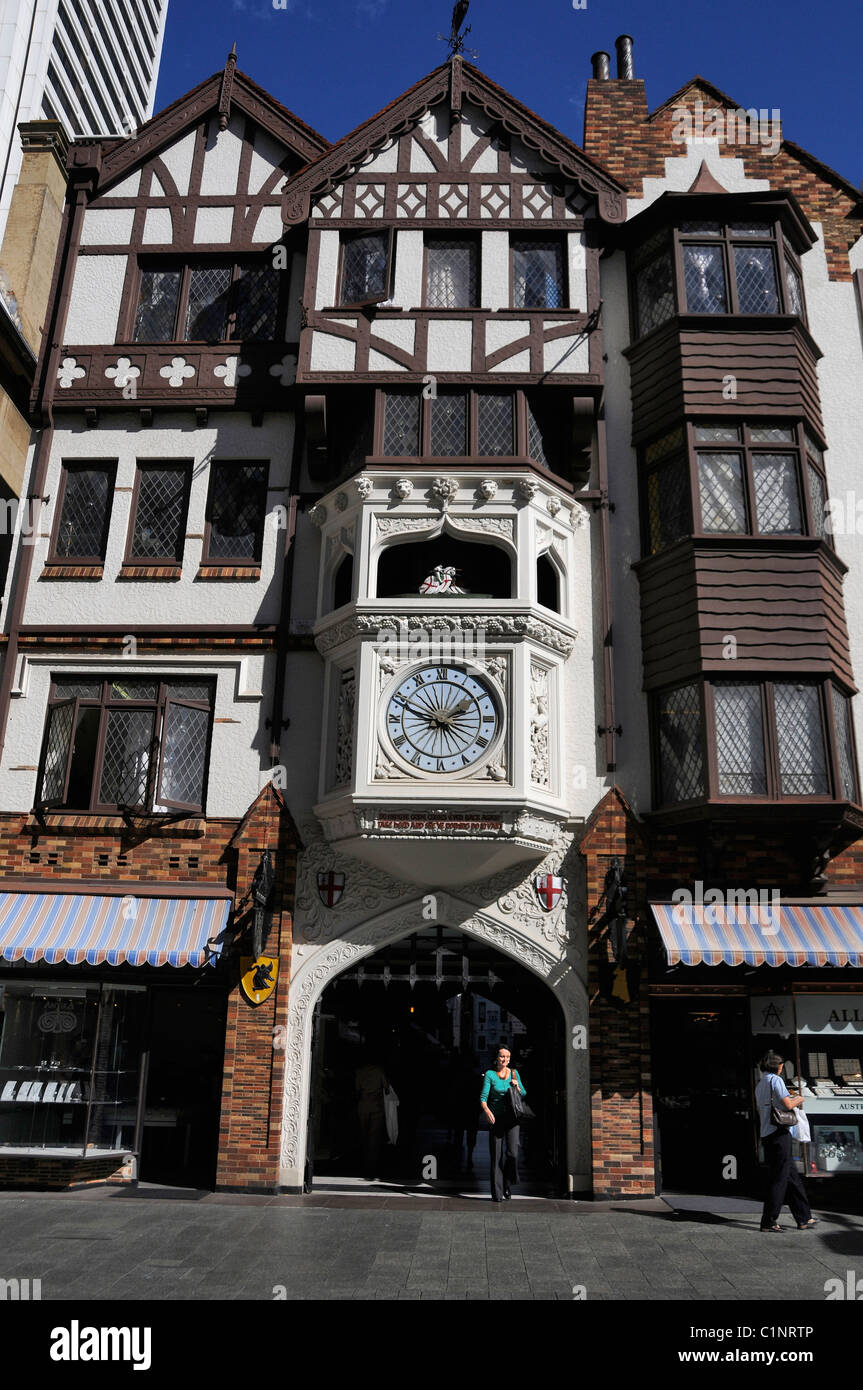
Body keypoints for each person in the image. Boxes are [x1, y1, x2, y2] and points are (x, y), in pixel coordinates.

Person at [755, 1051, 817, 1233]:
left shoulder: (760, 1084)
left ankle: (804, 1217)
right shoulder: (775, 1080)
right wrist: (800, 1097)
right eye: (781, 1064)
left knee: (791, 1176)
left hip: (767, 1132)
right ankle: (768, 1220)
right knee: (780, 1178)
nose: (782, 1067)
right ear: (778, 1066)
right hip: (779, 1133)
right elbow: (788, 1105)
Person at [480, 1046, 525, 1202]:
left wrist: (516, 1085)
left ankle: (506, 1183)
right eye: (502, 1056)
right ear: (496, 1058)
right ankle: (497, 1193)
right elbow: (483, 1097)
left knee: (513, 1153)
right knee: (496, 1156)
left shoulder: (514, 1073)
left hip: (512, 1118)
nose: (505, 1059)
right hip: (496, 1118)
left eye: (508, 1057)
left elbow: (523, 1093)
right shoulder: (490, 1075)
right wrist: (487, 1111)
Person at [355, 1054, 388, 1179]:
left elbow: (357, 1088)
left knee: (364, 1133)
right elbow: (386, 1087)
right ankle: (372, 1163)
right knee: (374, 1135)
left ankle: (363, 1160)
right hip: (376, 1106)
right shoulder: (379, 1071)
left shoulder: (359, 1071)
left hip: (363, 1105)